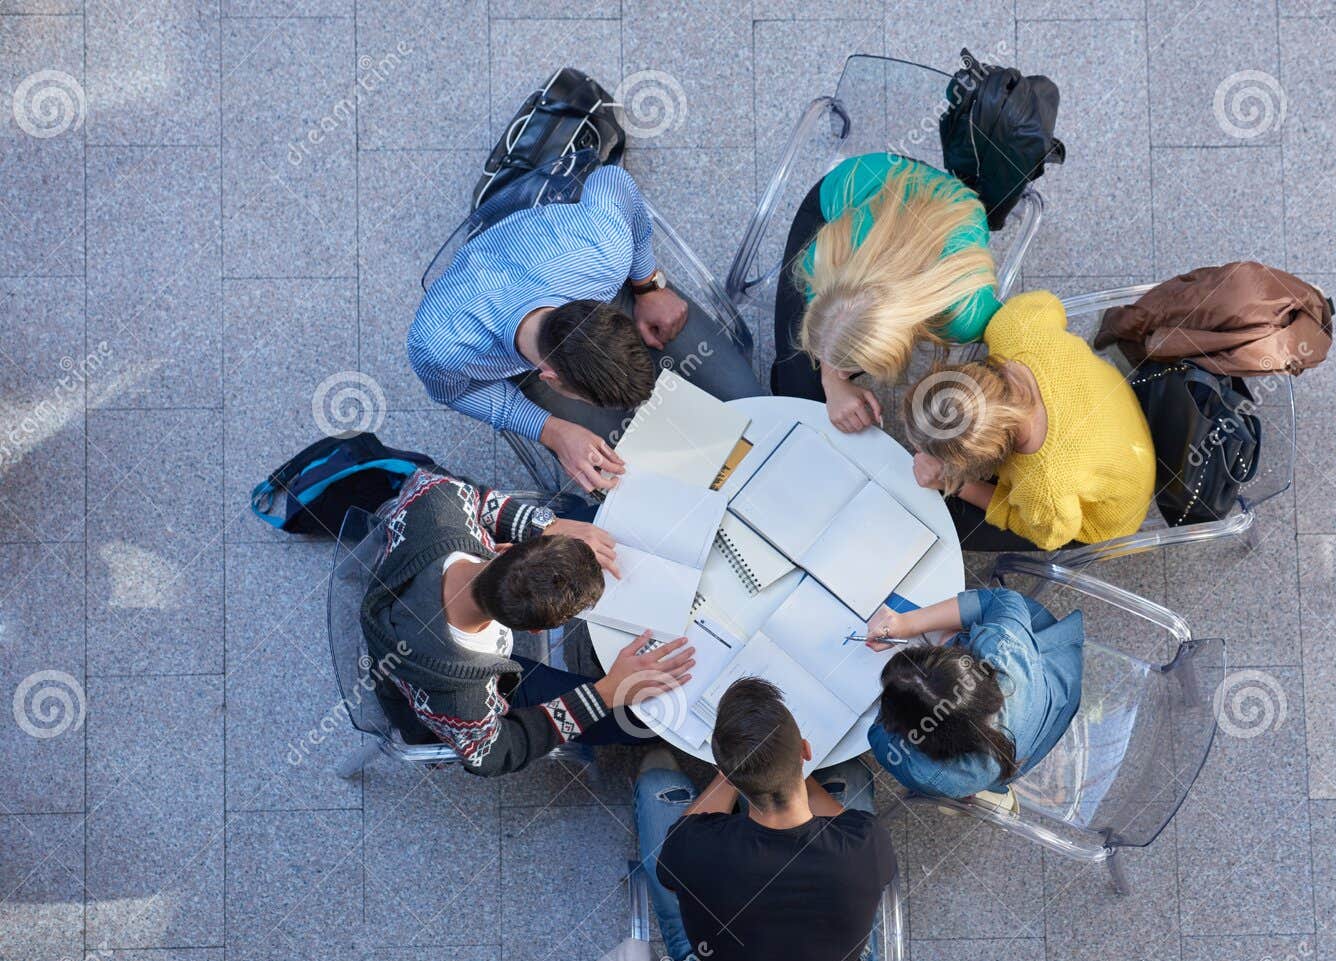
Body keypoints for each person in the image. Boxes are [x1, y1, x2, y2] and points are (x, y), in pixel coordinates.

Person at [408, 164, 765, 494]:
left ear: (600, 308)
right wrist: (551, 430)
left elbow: (614, 179)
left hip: (589, 274)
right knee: (626, 479)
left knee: (753, 405)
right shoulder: (440, 349)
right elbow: (454, 392)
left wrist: (646, 285)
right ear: (549, 376)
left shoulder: (603, 253)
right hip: (500, 330)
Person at [360, 467, 695, 777]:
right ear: (536, 631)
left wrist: (548, 525)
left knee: (593, 521)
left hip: (411, 592)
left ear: (505, 550)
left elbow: (464, 494)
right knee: (640, 716)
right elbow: (491, 754)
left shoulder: (437, 504)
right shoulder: (462, 697)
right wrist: (605, 694)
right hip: (462, 674)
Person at [633, 677, 897, 961]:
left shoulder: (695, 848)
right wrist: (781, 768)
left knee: (657, 777)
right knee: (852, 776)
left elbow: (674, 857)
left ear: (723, 769)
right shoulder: (864, 843)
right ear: (806, 750)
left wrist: (740, 769)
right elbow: (848, 827)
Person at [904, 289, 1156, 551]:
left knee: (949, 520)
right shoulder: (1016, 331)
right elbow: (1046, 303)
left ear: (990, 458)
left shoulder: (1044, 485)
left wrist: (957, 484)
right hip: (1117, 408)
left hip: (1111, 513)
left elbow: (1051, 536)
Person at [771, 151, 999, 433]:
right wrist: (832, 380)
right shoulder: (832, 251)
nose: (838, 370)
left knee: (798, 379)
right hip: (857, 186)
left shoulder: (965, 313)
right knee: (797, 375)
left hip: (929, 200)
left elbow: (1015, 335)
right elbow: (827, 310)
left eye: (847, 367)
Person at [864, 587, 1084, 806]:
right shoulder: (1004, 651)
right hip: (1057, 689)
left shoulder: (925, 773)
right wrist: (907, 623)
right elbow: (1005, 599)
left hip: (1034, 724)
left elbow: (878, 735)